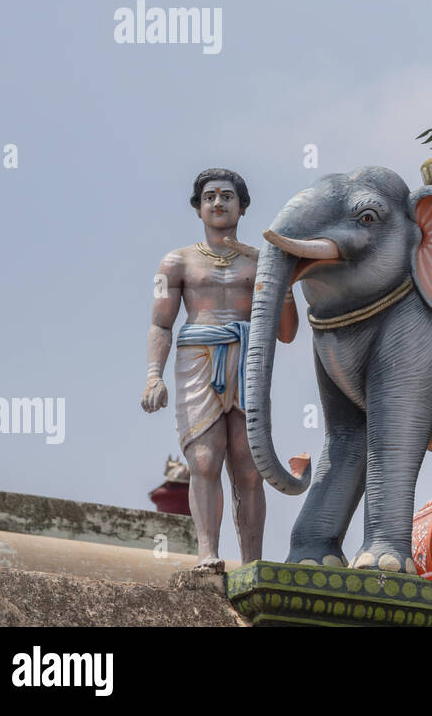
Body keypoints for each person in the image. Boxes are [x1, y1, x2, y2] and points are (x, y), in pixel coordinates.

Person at [142, 169, 300, 570]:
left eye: (227, 196)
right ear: (197, 208)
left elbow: (287, 332)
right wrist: (152, 375)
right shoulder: (174, 263)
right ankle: (207, 553)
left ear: (242, 206)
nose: (218, 203)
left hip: (249, 359)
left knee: (249, 466)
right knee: (205, 459)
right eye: (209, 196)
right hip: (199, 359)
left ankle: (252, 562)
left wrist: (281, 285)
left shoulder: (263, 261)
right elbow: (161, 323)